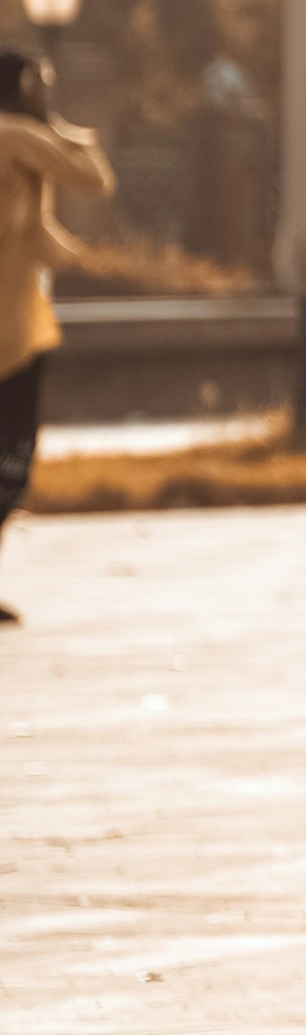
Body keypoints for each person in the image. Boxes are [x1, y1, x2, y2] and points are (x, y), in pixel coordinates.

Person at [0, 47, 113, 628]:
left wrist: (89, 260)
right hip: (10, 335)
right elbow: (94, 174)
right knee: (10, 460)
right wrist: (55, 118)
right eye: (39, 81)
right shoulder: (16, 135)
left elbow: (34, 231)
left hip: (16, 322)